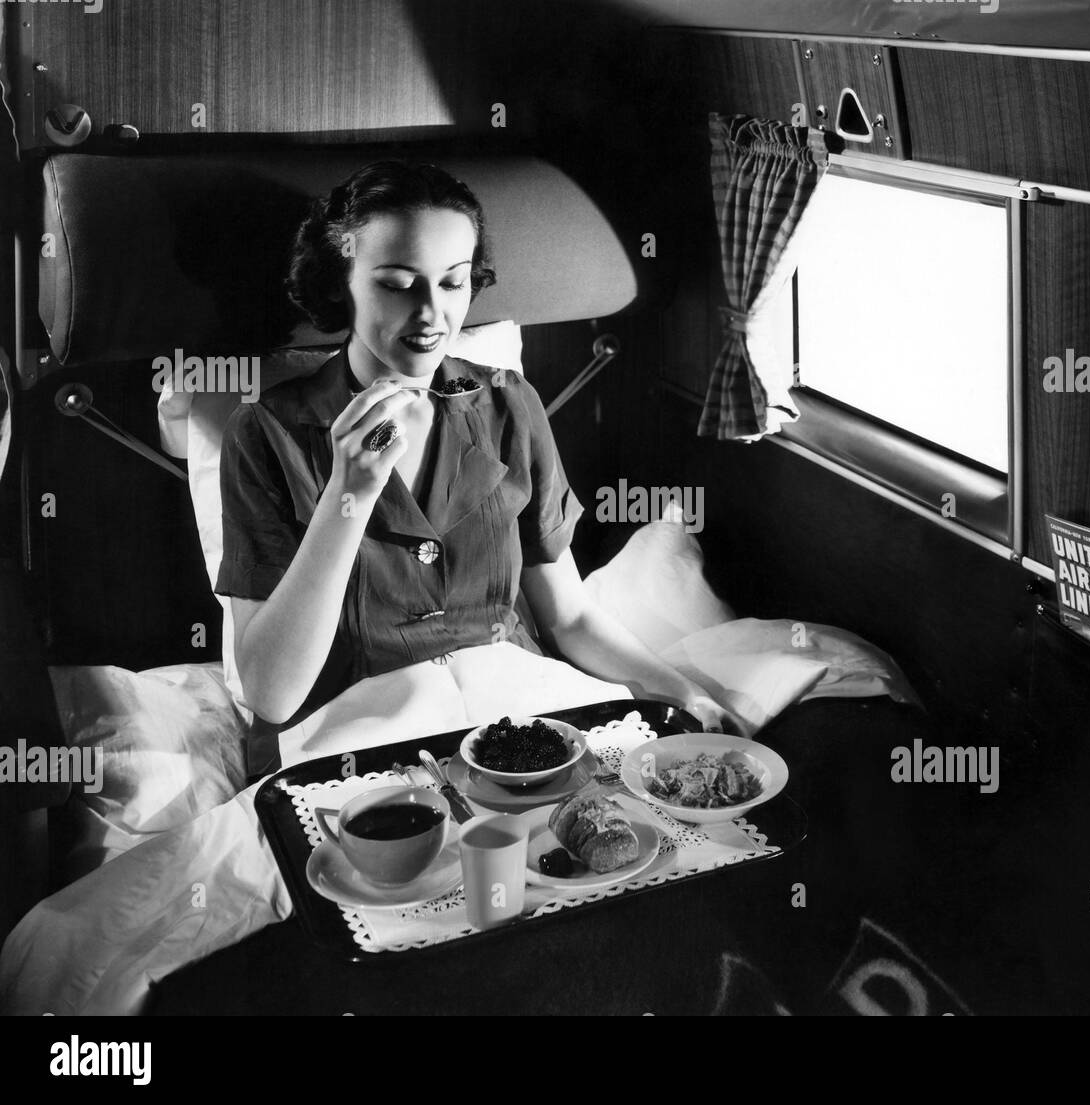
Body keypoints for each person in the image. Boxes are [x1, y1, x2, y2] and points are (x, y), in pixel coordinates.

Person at [216, 160, 731, 776]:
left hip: (513, 718)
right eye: (398, 284)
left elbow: (569, 615)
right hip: (355, 745)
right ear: (339, 285)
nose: (432, 313)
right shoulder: (267, 432)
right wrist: (347, 496)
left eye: (453, 283)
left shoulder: (509, 405)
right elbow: (273, 694)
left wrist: (679, 690)